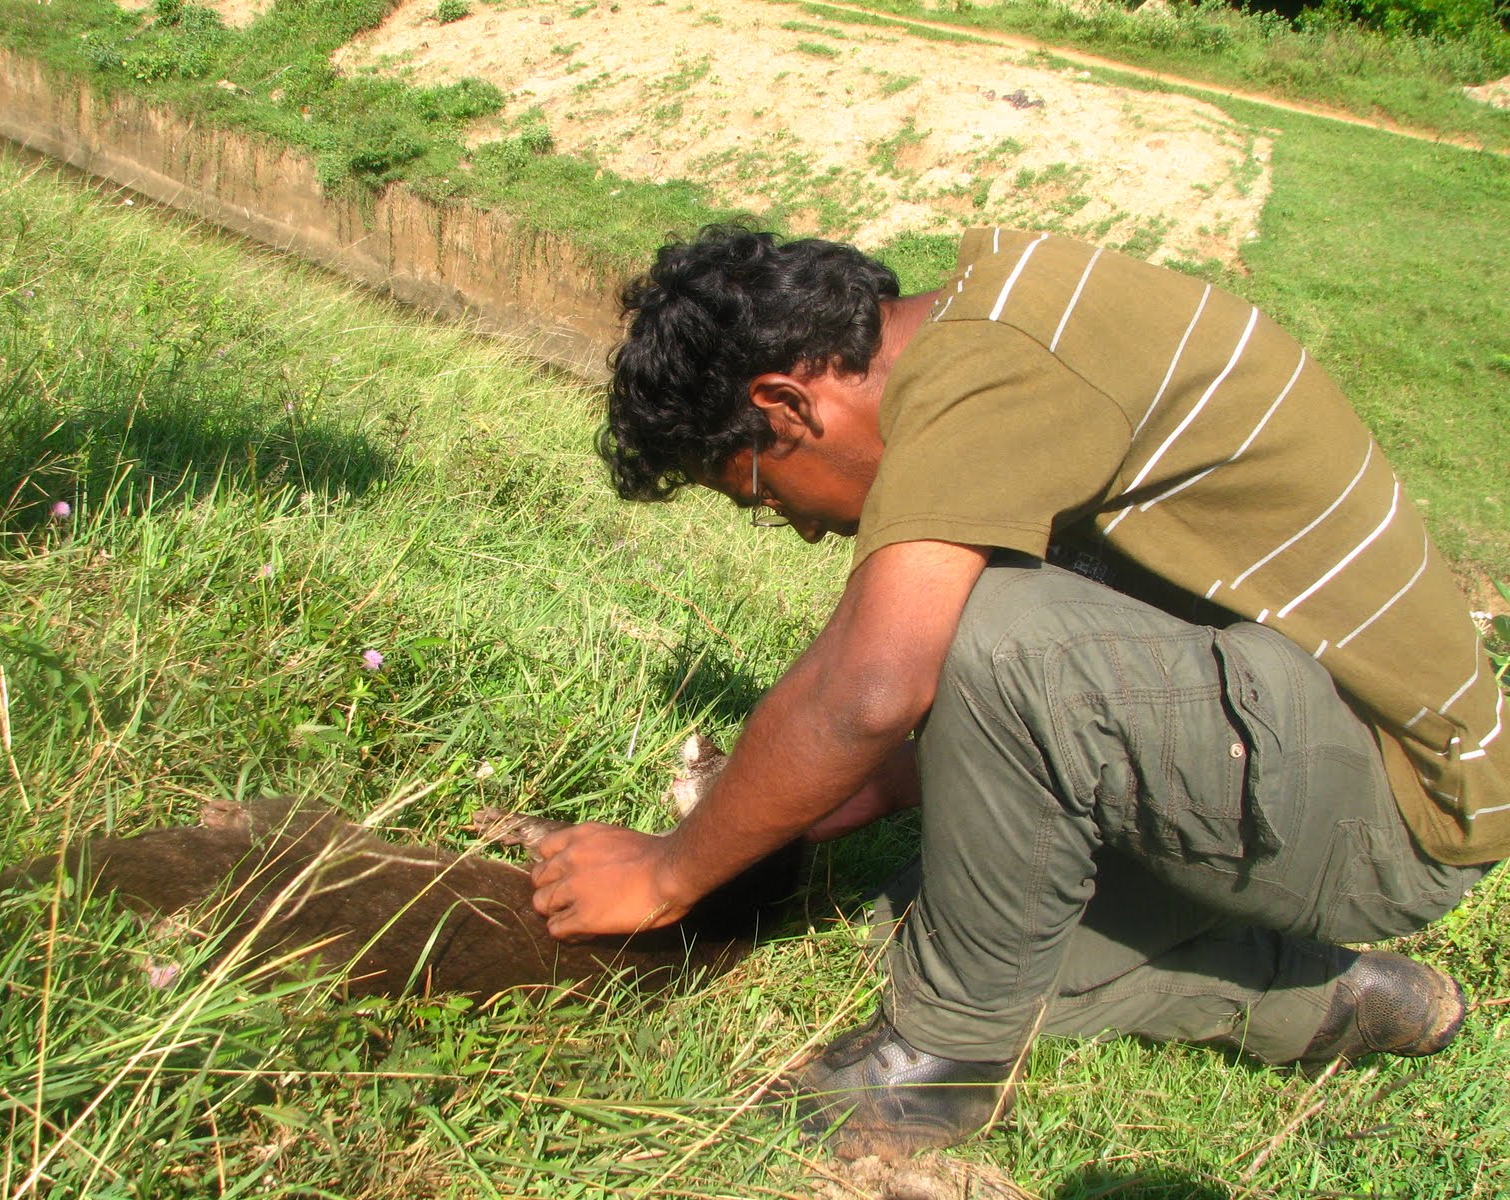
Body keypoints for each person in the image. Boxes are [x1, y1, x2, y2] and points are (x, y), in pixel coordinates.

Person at [526, 224, 1507, 1159]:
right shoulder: (990, 326)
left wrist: (667, 874)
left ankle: (936, 1071)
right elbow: (1089, 653)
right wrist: (881, 780)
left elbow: (873, 685)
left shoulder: (993, 363)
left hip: (1397, 800)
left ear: (787, 405)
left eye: (763, 497)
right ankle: (1320, 997)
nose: (800, 531)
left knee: (983, 628)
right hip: (1281, 747)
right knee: (938, 935)